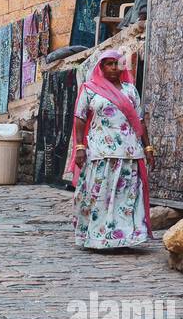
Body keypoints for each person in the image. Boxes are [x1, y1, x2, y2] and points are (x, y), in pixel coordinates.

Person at [65, 50, 154, 250]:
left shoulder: (130, 90)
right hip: (100, 152)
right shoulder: (90, 90)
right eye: (109, 64)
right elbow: (79, 118)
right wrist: (80, 147)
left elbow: (139, 120)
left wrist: (148, 147)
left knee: (126, 196)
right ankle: (96, 236)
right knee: (99, 193)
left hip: (128, 151)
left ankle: (125, 237)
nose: (114, 68)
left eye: (117, 63)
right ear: (101, 67)